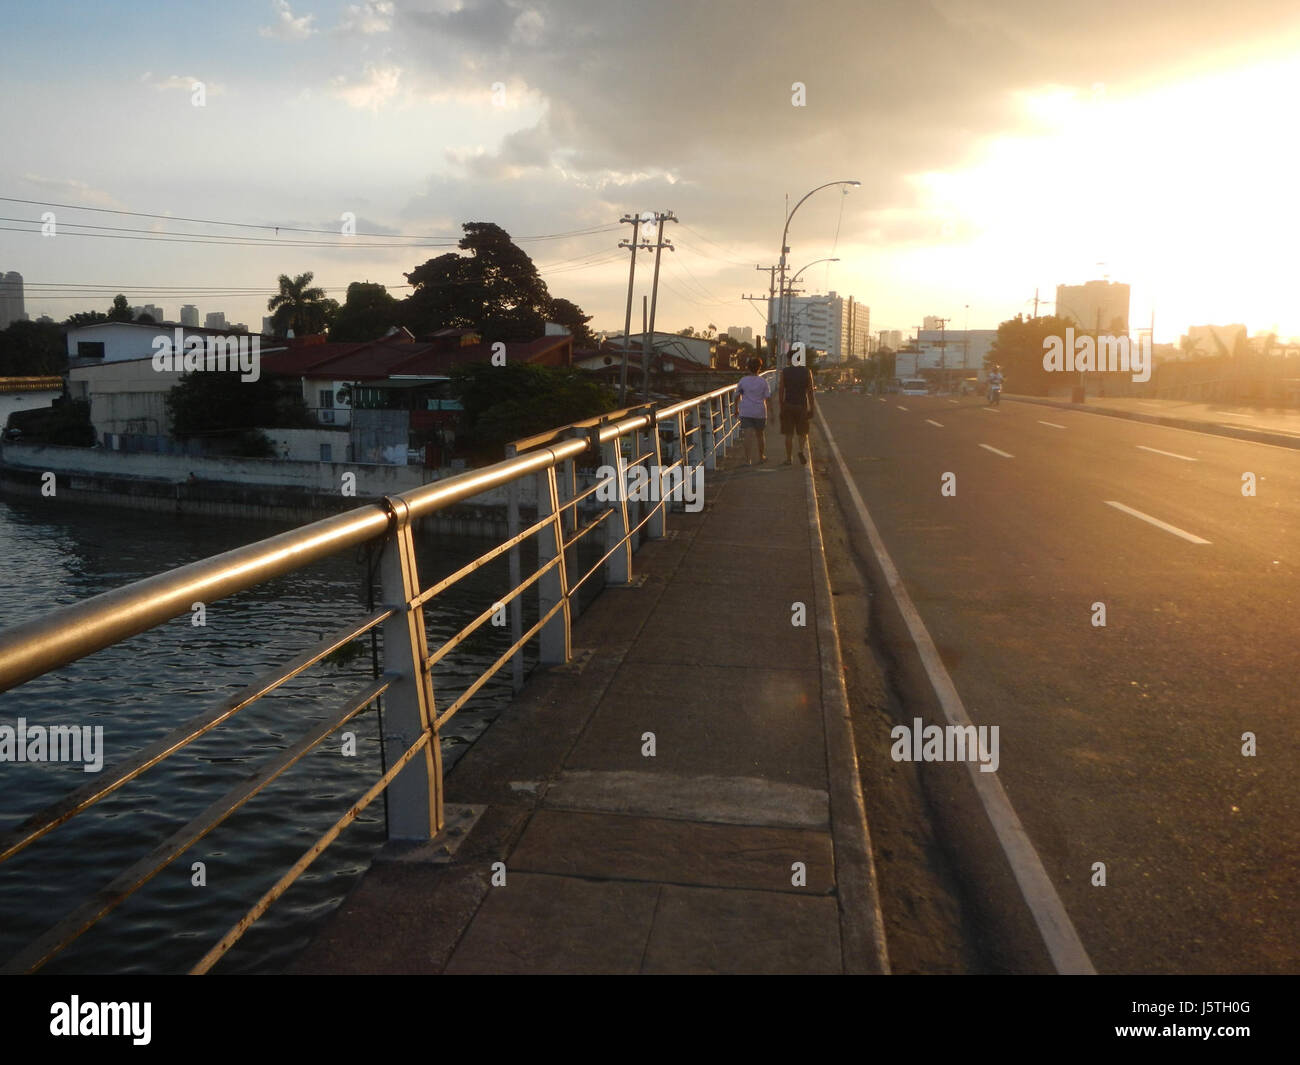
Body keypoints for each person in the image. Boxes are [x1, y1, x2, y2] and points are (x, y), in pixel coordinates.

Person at [779, 356, 815, 465]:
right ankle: (800, 451)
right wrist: (812, 407)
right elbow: (810, 391)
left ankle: (789, 458)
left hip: (788, 405)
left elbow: (781, 390)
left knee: (788, 434)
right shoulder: (807, 372)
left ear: (790, 360)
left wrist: (781, 406)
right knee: (803, 432)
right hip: (802, 406)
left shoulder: (784, 372)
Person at [735, 356, 771, 465]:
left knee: (748, 435)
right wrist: (772, 412)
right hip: (760, 411)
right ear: (759, 368)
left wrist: (735, 408)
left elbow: (737, 395)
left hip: (746, 411)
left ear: (748, 368)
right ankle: (761, 457)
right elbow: (768, 397)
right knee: (760, 435)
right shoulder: (763, 382)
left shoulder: (743, 380)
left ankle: (747, 460)